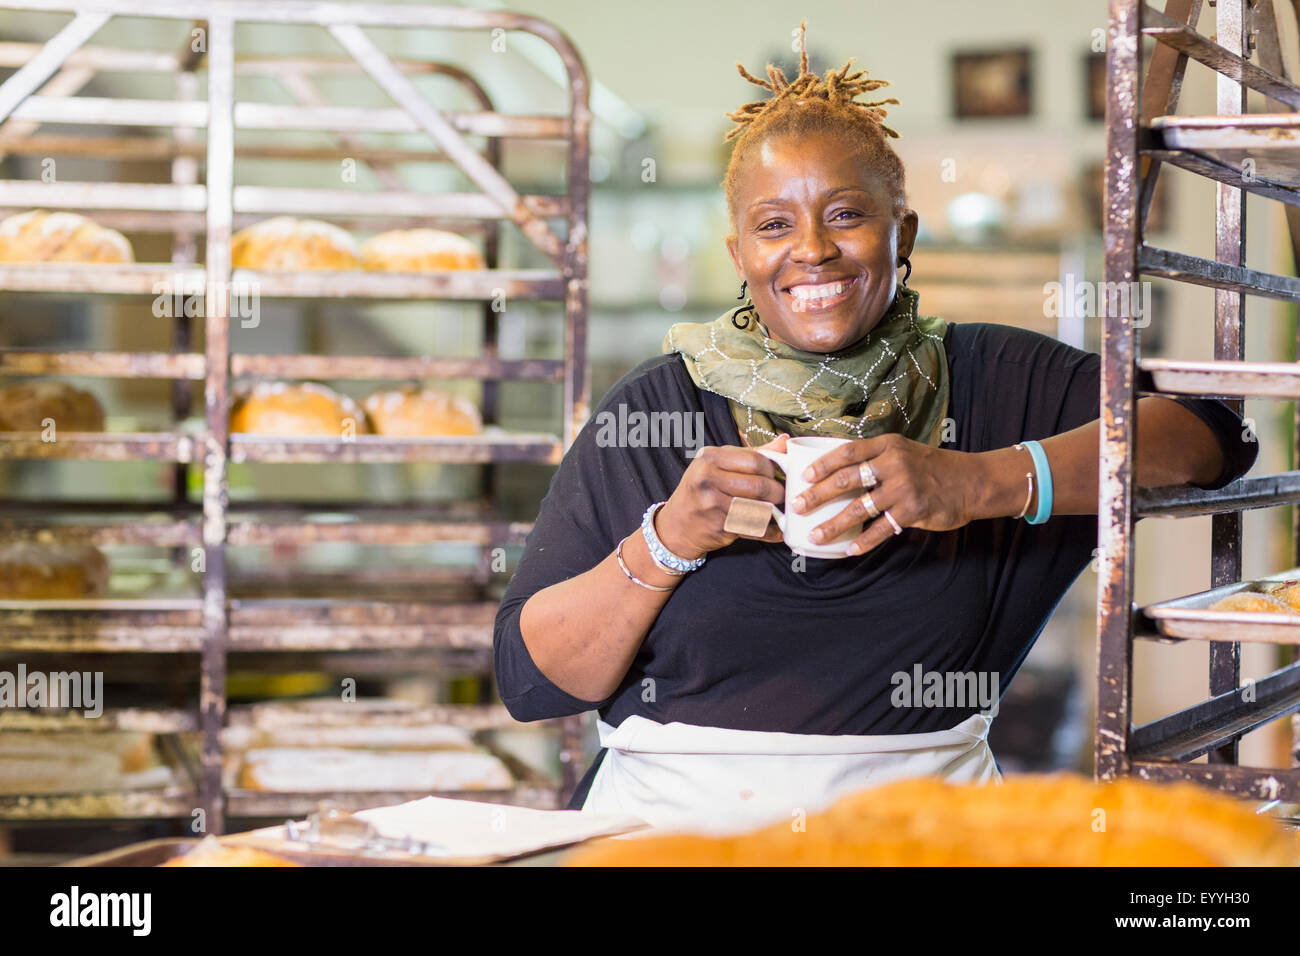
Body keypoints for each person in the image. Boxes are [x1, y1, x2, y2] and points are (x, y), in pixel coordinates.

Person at [493, 22, 1258, 834]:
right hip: (669, 837)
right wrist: (667, 540)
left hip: (922, 838)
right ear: (740, 251)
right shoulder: (656, 410)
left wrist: (977, 482)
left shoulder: (996, 380)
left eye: (846, 215)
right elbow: (532, 680)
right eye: (775, 225)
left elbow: (1211, 440)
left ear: (905, 233)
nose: (812, 251)